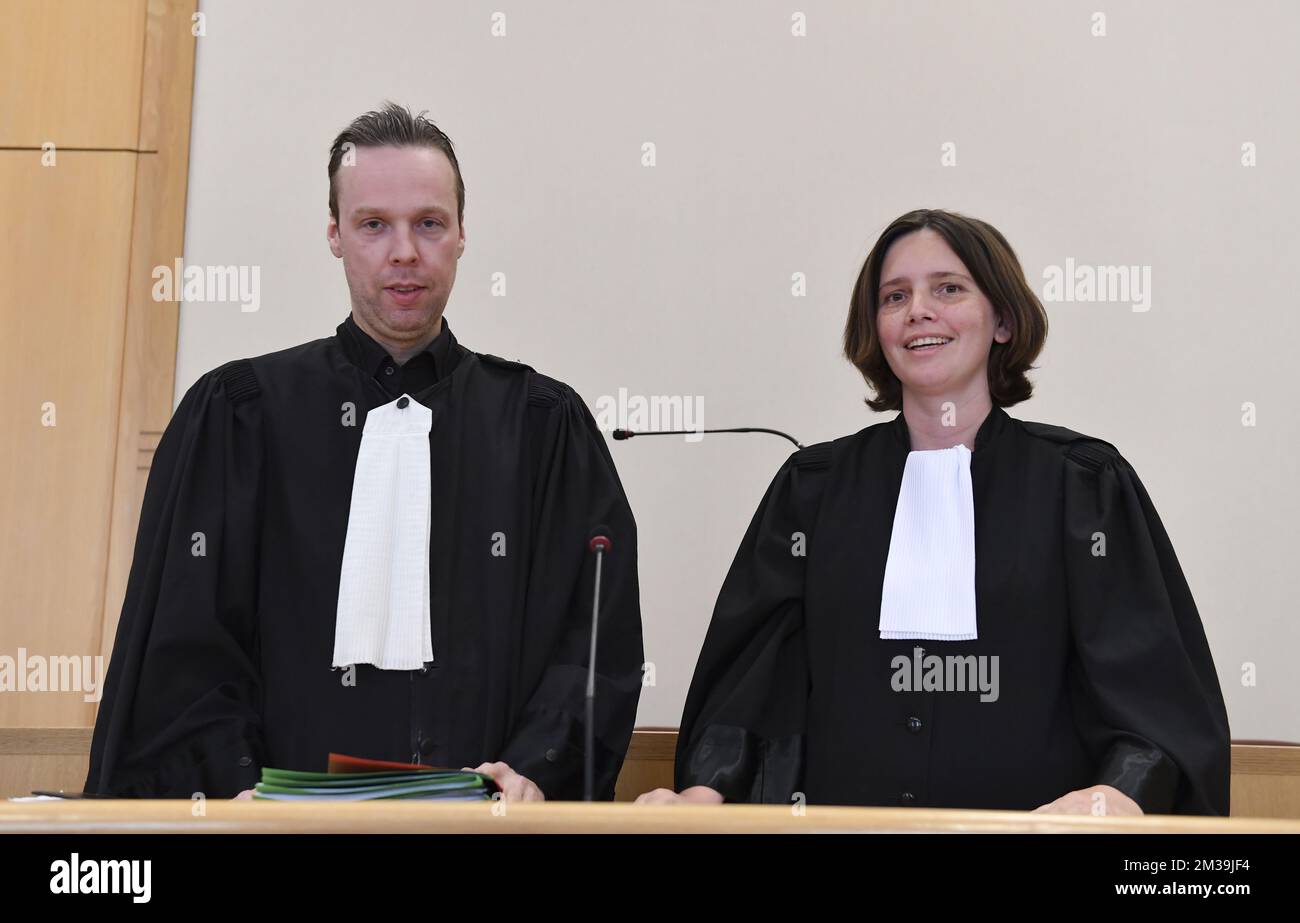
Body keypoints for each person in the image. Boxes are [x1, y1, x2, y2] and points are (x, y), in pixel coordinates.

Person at [86, 103, 643, 802]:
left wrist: (533, 768)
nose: (404, 252)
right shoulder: (239, 417)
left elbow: (592, 639)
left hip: (490, 821)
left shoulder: (542, 428)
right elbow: (185, 647)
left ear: (463, 235)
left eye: (429, 224)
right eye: (374, 224)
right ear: (335, 235)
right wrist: (234, 788)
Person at [639, 209, 1229, 814]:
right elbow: (757, 682)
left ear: (1002, 319)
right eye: (895, 296)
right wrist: (704, 791)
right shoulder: (811, 491)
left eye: (948, 288)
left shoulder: (1083, 487)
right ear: (875, 328)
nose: (919, 309)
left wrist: (1115, 796)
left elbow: (1153, 696)